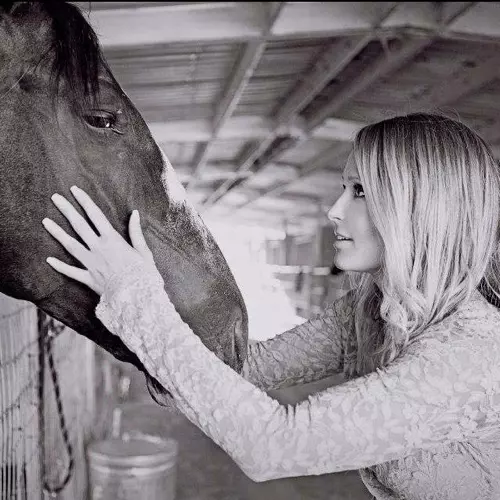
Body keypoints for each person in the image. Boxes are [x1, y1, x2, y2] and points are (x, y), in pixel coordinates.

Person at [42, 113, 500, 500]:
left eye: (359, 192)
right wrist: (140, 295)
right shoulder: (368, 310)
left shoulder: (471, 355)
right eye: (344, 187)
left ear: (420, 210)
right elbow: (245, 366)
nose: (334, 210)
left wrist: (136, 299)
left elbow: (274, 445)